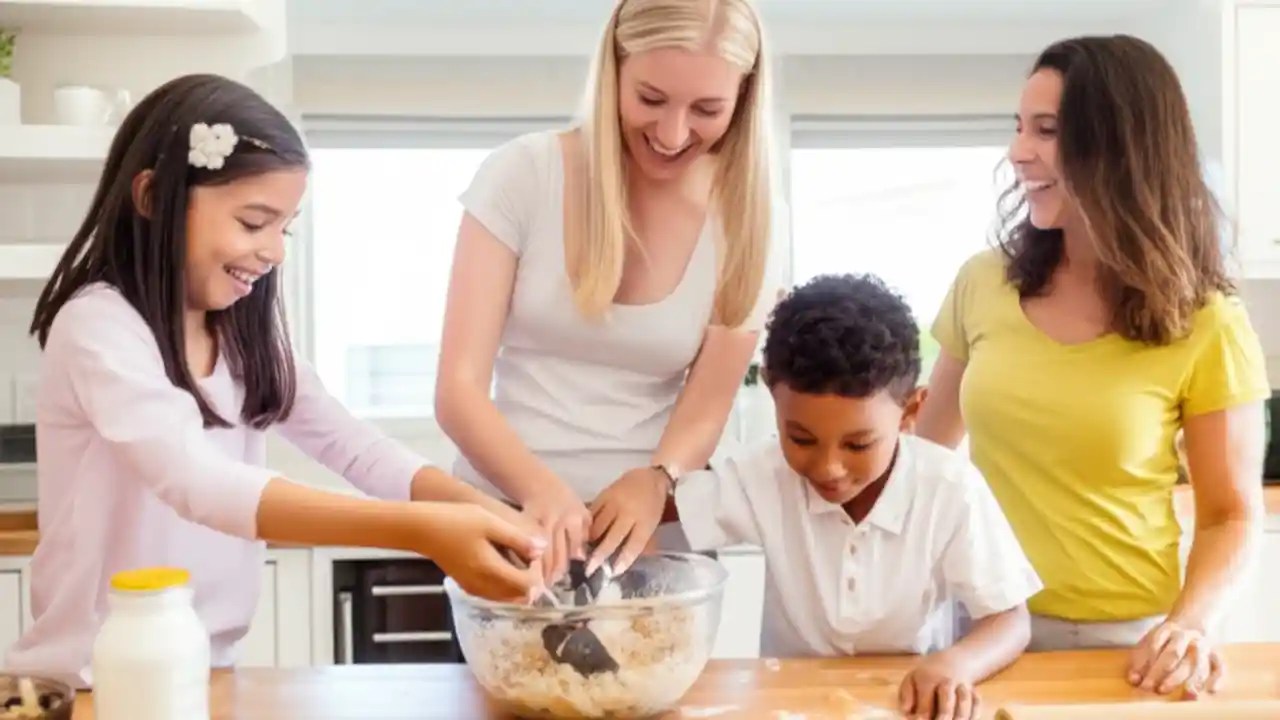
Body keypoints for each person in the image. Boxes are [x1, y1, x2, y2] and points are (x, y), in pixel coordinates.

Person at [3, 74, 546, 688]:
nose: (274, 252)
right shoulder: (99, 324)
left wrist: (492, 516)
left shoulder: (242, 337)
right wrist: (420, 529)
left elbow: (357, 448)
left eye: (283, 228)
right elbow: (198, 482)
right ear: (154, 197)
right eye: (253, 221)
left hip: (210, 672)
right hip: (88, 681)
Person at [915, 34, 1270, 699]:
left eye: (1046, 131)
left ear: (1122, 146)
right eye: (1019, 128)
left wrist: (1191, 625)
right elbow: (925, 461)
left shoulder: (1207, 320)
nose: (1018, 151)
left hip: (1132, 644)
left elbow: (1230, 515)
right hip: (987, 629)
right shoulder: (982, 283)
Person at [435, 0, 781, 584]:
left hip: (652, 538)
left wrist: (658, 479)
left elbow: (708, 405)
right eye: (650, 99)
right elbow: (458, 391)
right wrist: (546, 496)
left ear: (743, 99)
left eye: (707, 109)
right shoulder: (523, 175)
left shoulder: (747, 220)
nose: (673, 134)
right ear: (613, 71)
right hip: (505, 521)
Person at [603, 274, 1043, 720]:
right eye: (800, 438)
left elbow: (1008, 620)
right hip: (789, 703)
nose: (828, 468)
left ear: (911, 411)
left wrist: (955, 664)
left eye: (858, 445)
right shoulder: (764, 473)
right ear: (773, 399)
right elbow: (654, 506)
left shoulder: (949, 488)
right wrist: (649, 486)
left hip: (907, 701)